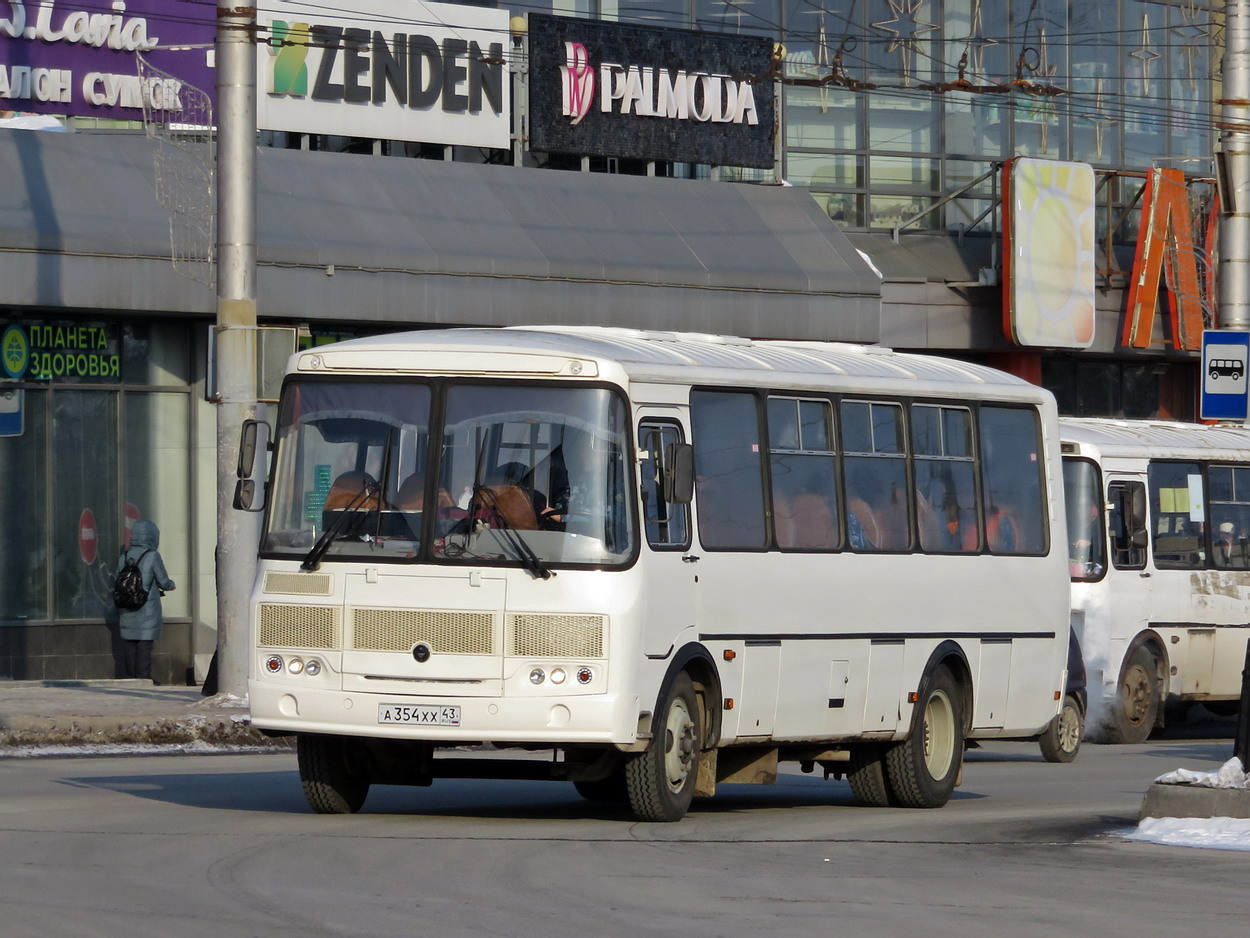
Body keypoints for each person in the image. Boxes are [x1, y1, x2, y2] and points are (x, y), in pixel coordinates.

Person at [116, 519, 175, 682]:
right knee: (144, 643)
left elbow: (117, 580)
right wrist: (171, 585)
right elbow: (163, 581)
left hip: (126, 604)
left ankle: (130, 677)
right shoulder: (152, 556)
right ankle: (144, 677)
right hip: (147, 606)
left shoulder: (124, 556)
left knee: (129, 642)